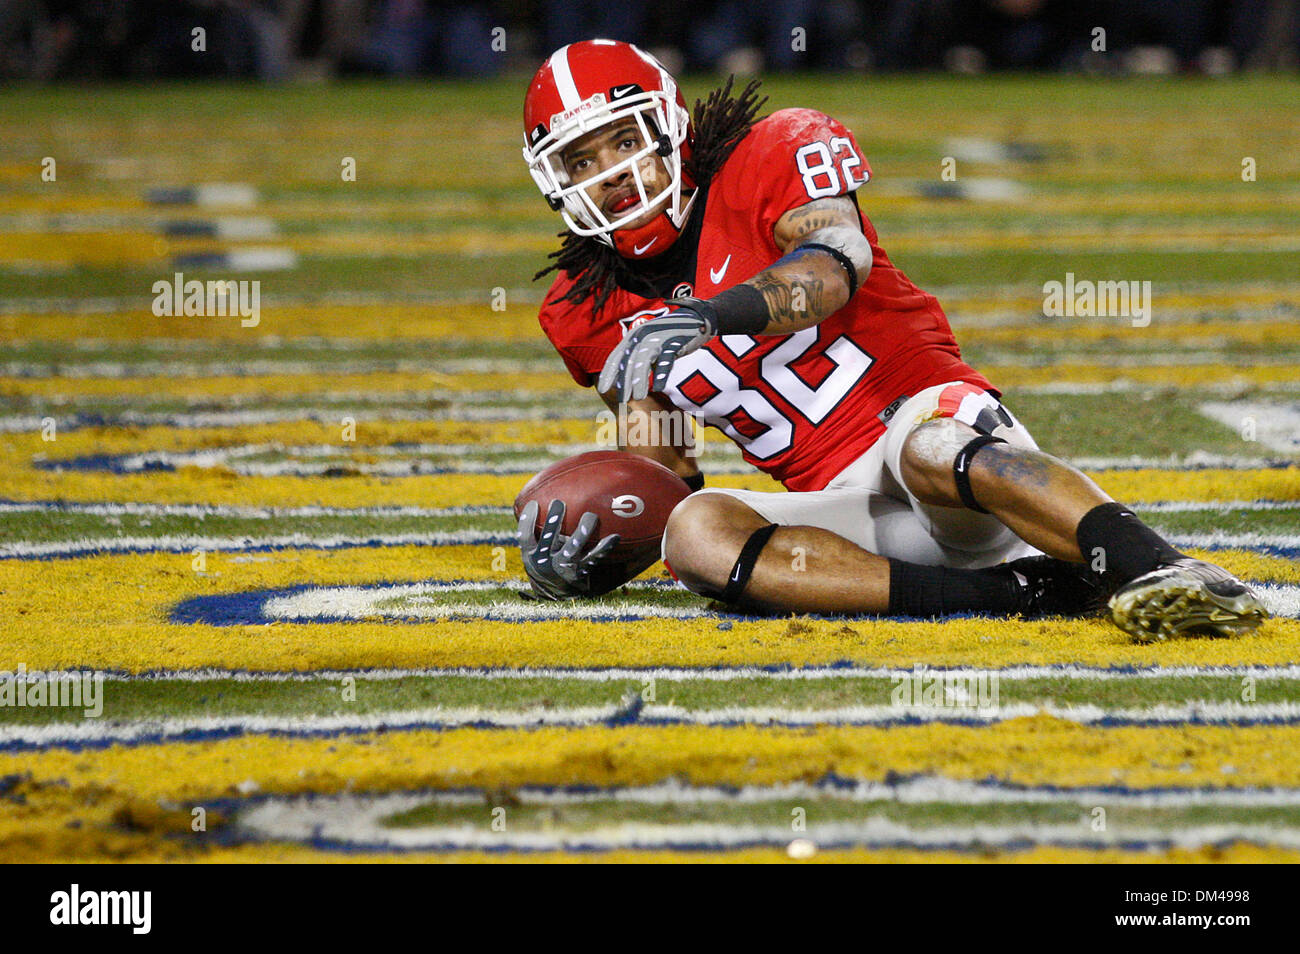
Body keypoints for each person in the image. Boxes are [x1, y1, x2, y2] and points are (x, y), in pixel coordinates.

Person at [515, 38, 1268, 642]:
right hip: (851, 521)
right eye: (581, 160)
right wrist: (598, 541)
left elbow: (835, 267)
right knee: (695, 537)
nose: (611, 173)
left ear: (668, 126)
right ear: (553, 182)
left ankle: (1164, 567)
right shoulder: (585, 309)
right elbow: (667, 472)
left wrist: (717, 313)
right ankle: (1021, 595)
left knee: (924, 446)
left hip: (928, 425)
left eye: (623, 140)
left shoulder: (772, 152)